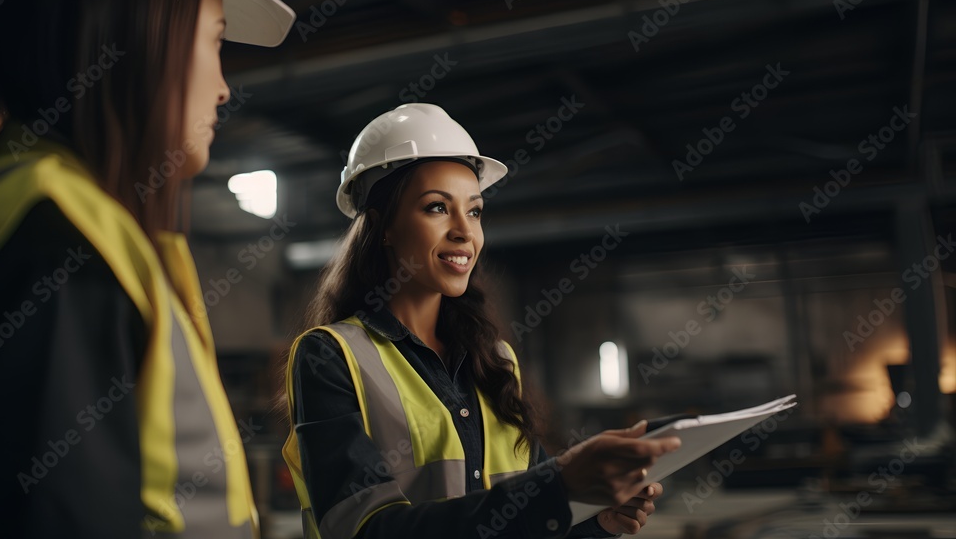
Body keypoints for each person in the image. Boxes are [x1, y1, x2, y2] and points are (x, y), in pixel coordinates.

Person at [0, 0, 294, 537]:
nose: (224, 88)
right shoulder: (58, 245)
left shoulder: (65, 223)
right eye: (215, 42)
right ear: (134, 36)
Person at [281, 103, 682, 539]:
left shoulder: (494, 361)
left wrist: (594, 518)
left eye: (474, 211)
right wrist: (555, 489)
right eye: (437, 208)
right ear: (383, 227)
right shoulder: (329, 356)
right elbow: (363, 529)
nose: (464, 232)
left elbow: (532, 520)